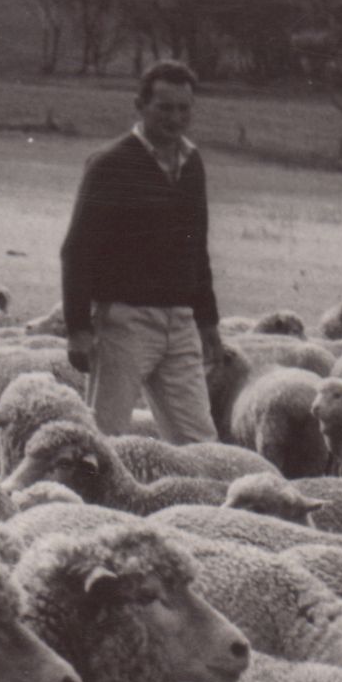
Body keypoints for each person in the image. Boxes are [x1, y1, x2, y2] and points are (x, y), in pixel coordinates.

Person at [58, 59, 233, 445]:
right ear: (140, 106)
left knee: (200, 442)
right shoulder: (110, 164)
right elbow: (77, 250)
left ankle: (193, 506)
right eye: (164, 107)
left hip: (181, 322)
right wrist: (79, 330)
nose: (175, 118)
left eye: (184, 108)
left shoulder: (192, 163)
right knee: (103, 439)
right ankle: (85, 506)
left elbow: (197, 245)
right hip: (126, 322)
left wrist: (207, 321)